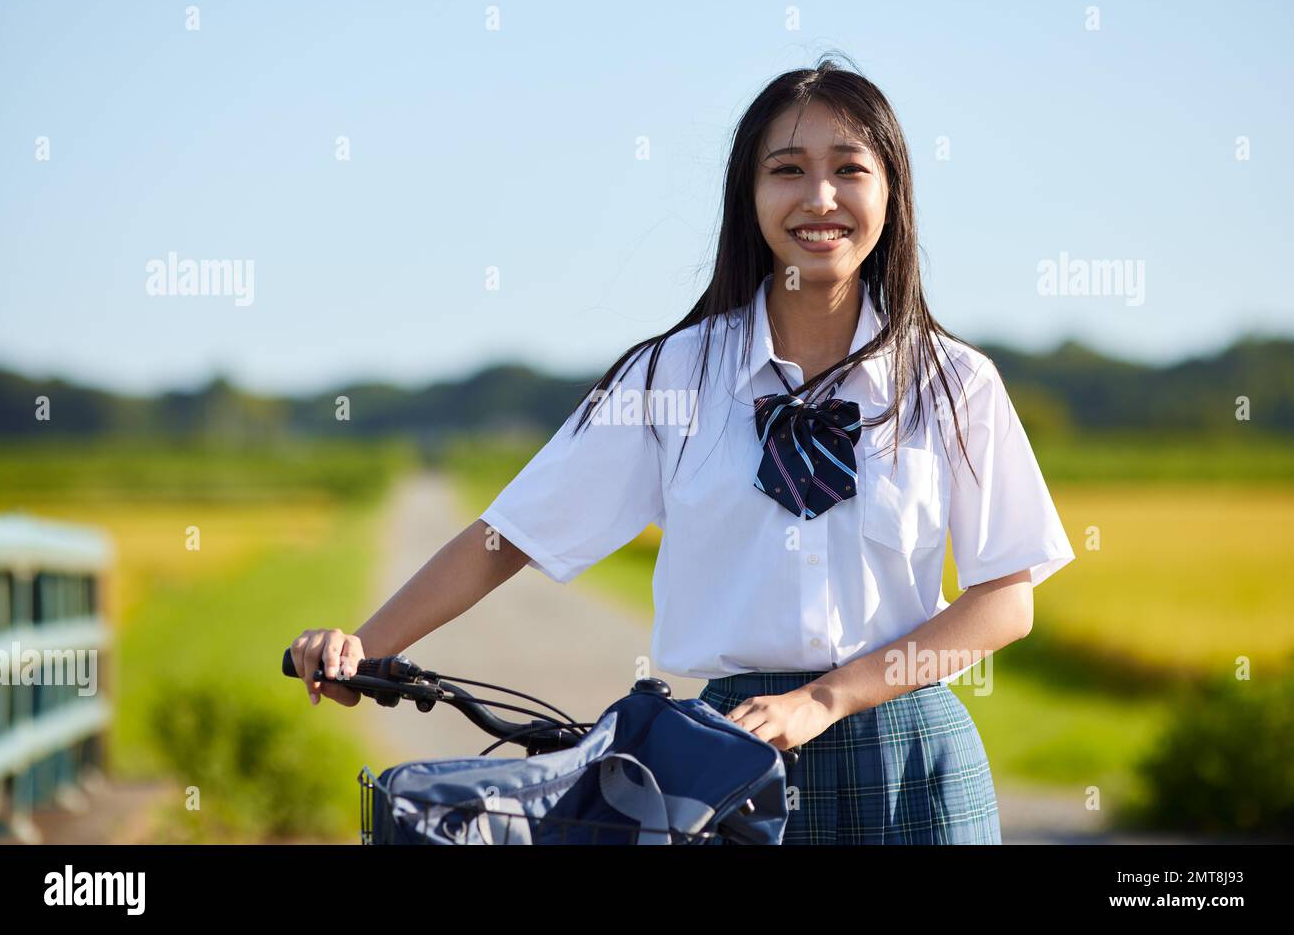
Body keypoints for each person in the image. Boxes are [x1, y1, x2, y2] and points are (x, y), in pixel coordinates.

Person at [289, 55, 1075, 844]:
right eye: (787, 170)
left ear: (891, 192)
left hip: (913, 763)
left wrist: (828, 698)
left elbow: (1006, 595)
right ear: (750, 196)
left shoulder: (953, 381)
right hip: (727, 761)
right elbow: (510, 535)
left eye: (849, 169)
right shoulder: (673, 377)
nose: (819, 197)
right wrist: (366, 647)